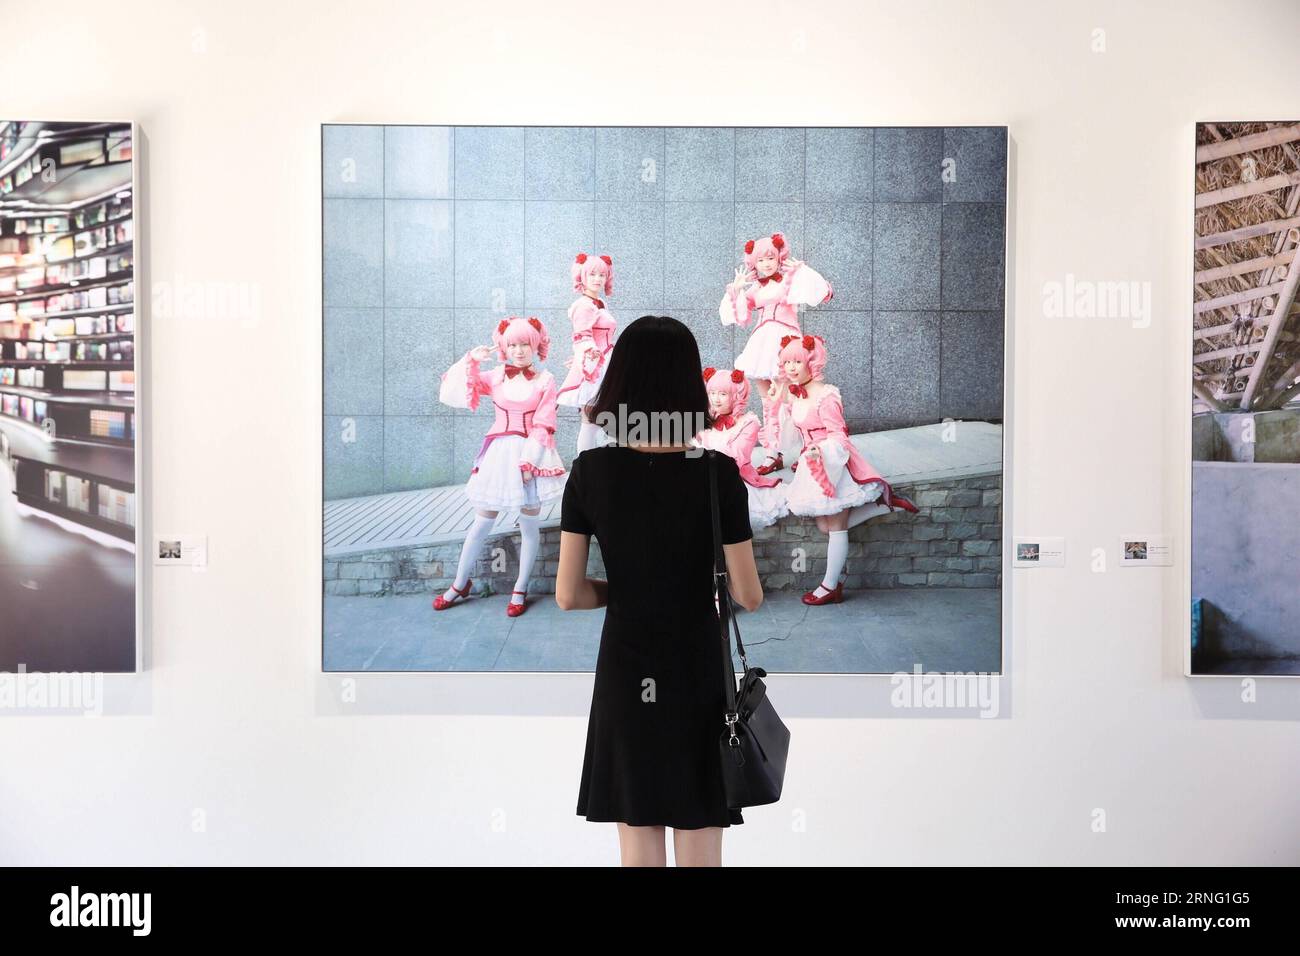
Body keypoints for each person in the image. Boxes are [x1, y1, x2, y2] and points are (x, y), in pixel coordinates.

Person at [556, 315, 763, 867]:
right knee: (699, 829)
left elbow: (569, 594)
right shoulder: (717, 472)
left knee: (638, 835)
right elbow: (748, 594)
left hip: (627, 671)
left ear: (620, 385)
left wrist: (624, 588)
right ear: (688, 389)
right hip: (696, 673)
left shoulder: (590, 472)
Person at [768, 333, 917, 605]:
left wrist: (820, 452)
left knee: (836, 528)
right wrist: (779, 400)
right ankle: (885, 505)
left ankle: (829, 586)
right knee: (825, 526)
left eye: (797, 362)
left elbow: (839, 436)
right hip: (811, 464)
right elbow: (788, 434)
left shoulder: (827, 396)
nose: (790, 368)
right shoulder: (795, 394)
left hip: (833, 464)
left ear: (811, 362)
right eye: (786, 361)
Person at [435, 316, 565, 617]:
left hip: (530, 457)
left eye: (525, 344)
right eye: (513, 344)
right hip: (498, 457)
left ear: (536, 346)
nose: (519, 350)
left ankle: (520, 589)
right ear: (504, 347)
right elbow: (455, 389)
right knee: (481, 522)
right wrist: (471, 360)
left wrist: (530, 461)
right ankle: (458, 584)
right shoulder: (495, 376)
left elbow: (545, 424)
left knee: (529, 526)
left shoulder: (546, 380)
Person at [719, 232, 832, 475]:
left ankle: (809, 448)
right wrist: (736, 290)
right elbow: (735, 317)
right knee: (769, 403)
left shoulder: (789, 279)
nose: (767, 264)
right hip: (760, 345)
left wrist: (802, 271)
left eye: (771, 258)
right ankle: (772, 454)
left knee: (794, 401)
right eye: (761, 260)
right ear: (754, 263)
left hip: (785, 344)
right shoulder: (753, 290)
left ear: (779, 257)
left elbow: (823, 293)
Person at [557, 252, 617, 454]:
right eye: (592, 275)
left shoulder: (598, 304)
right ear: (582, 277)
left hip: (606, 361)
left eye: (602, 275)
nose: (598, 279)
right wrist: (587, 357)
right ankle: (584, 466)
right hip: (596, 365)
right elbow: (582, 336)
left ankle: (595, 464)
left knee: (599, 416)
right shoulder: (583, 305)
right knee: (590, 416)